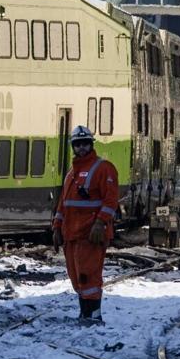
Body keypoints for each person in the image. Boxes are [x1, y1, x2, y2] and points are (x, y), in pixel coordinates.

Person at [53, 126, 119, 324]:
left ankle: (94, 315)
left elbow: (111, 200)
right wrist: (57, 226)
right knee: (76, 276)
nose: (81, 148)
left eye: (85, 144)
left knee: (88, 275)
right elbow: (63, 204)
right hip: (72, 235)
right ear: (73, 147)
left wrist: (100, 223)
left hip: (91, 234)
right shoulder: (71, 174)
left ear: (91, 145)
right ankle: (84, 313)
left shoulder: (104, 168)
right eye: (78, 144)